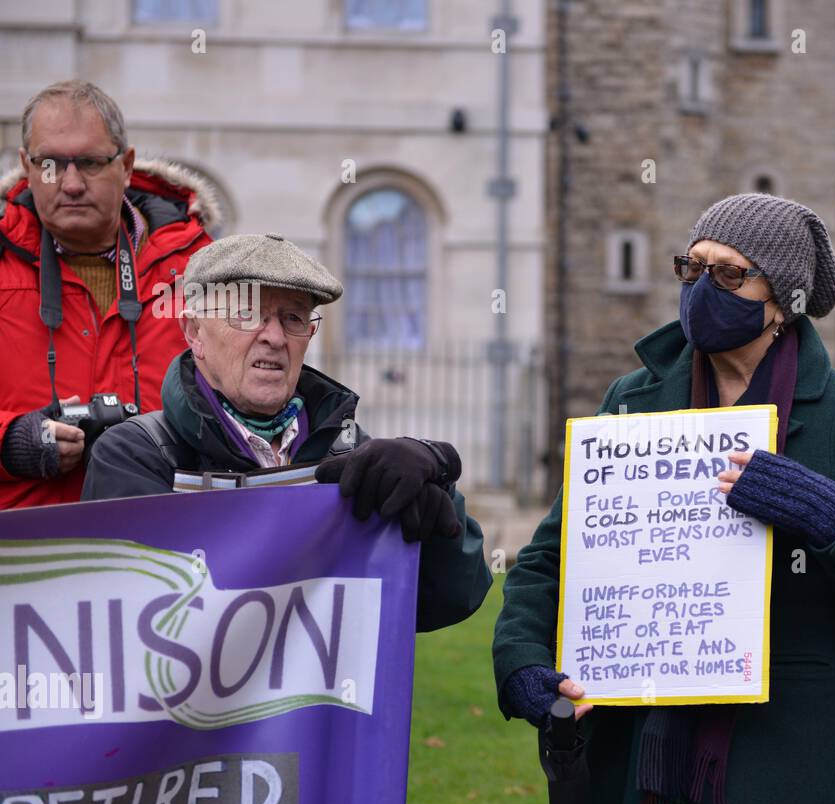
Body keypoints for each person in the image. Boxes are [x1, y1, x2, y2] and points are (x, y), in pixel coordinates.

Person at [493, 193, 835, 804]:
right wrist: (523, 659)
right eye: (691, 267)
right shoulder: (631, 399)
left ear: (783, 299)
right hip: (633, 754)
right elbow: (549, 561)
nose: (703, 288)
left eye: (730, 274)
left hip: (775, 772)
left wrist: (827, 513)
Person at [82, 232, 493, 634]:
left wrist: (433, 477)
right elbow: (134, 619)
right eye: (246, 314)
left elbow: (451, 596)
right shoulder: (138, 453)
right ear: (194, 332)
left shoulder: (346, 447)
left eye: (293, 317)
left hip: (327, 705)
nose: (274, 337)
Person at [0, 80, 219, 509]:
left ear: (127, 164)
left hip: (164, 556)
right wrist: (12, 441)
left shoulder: (202, 267)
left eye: (91, 162)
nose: (72, 183)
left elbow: (254, 410)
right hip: (20, 559)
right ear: (26, 165)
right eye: (50, 163)